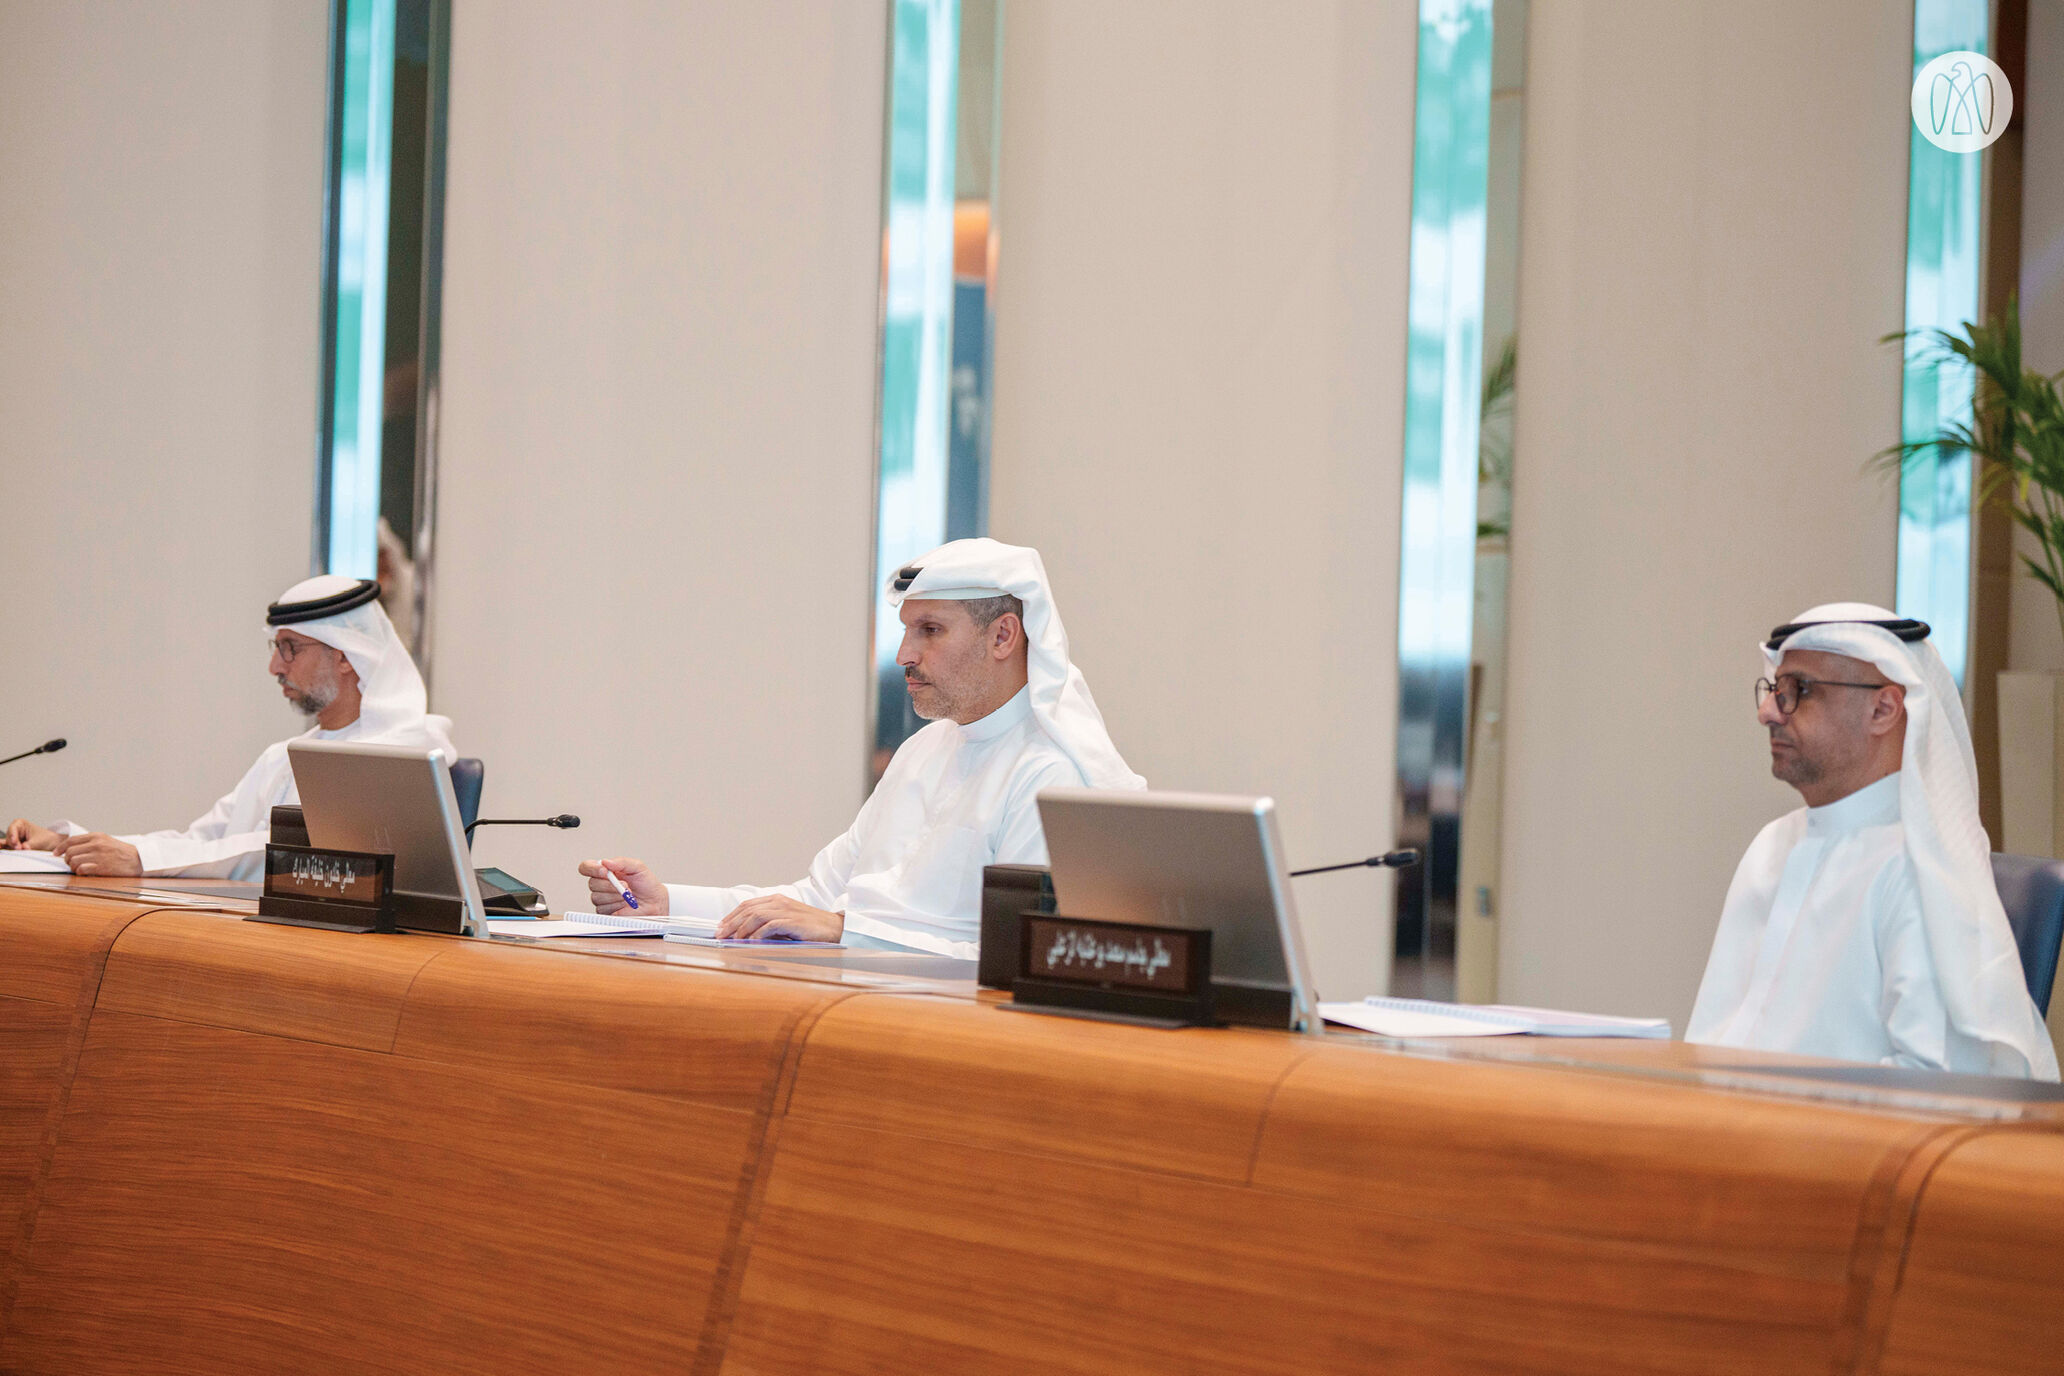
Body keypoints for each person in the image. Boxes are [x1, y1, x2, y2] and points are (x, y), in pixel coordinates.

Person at [581, 538, 1144, 957]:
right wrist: (667, 905)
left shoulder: (1052, 775)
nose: (903, 654)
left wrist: (846, 930)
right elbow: (816, 897)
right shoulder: (922, 752)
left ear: (1002, 636)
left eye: (929, 630)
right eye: (906, 631)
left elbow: (1019, 957)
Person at [1687, 602, 2059, 1079]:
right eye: (1773, 689)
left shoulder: (1920, 865)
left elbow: (1934, 1084)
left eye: (1798, 690)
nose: (1767, 713)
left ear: (1883, 708)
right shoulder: (1770, 847)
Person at [2, 575, 455, 881]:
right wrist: (67, 845)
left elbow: (287, 853)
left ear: (344, 654)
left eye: (290, 648)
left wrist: (140, 861)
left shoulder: (404, 750)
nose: (275, 666)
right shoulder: (284, 756)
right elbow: (204, 842)